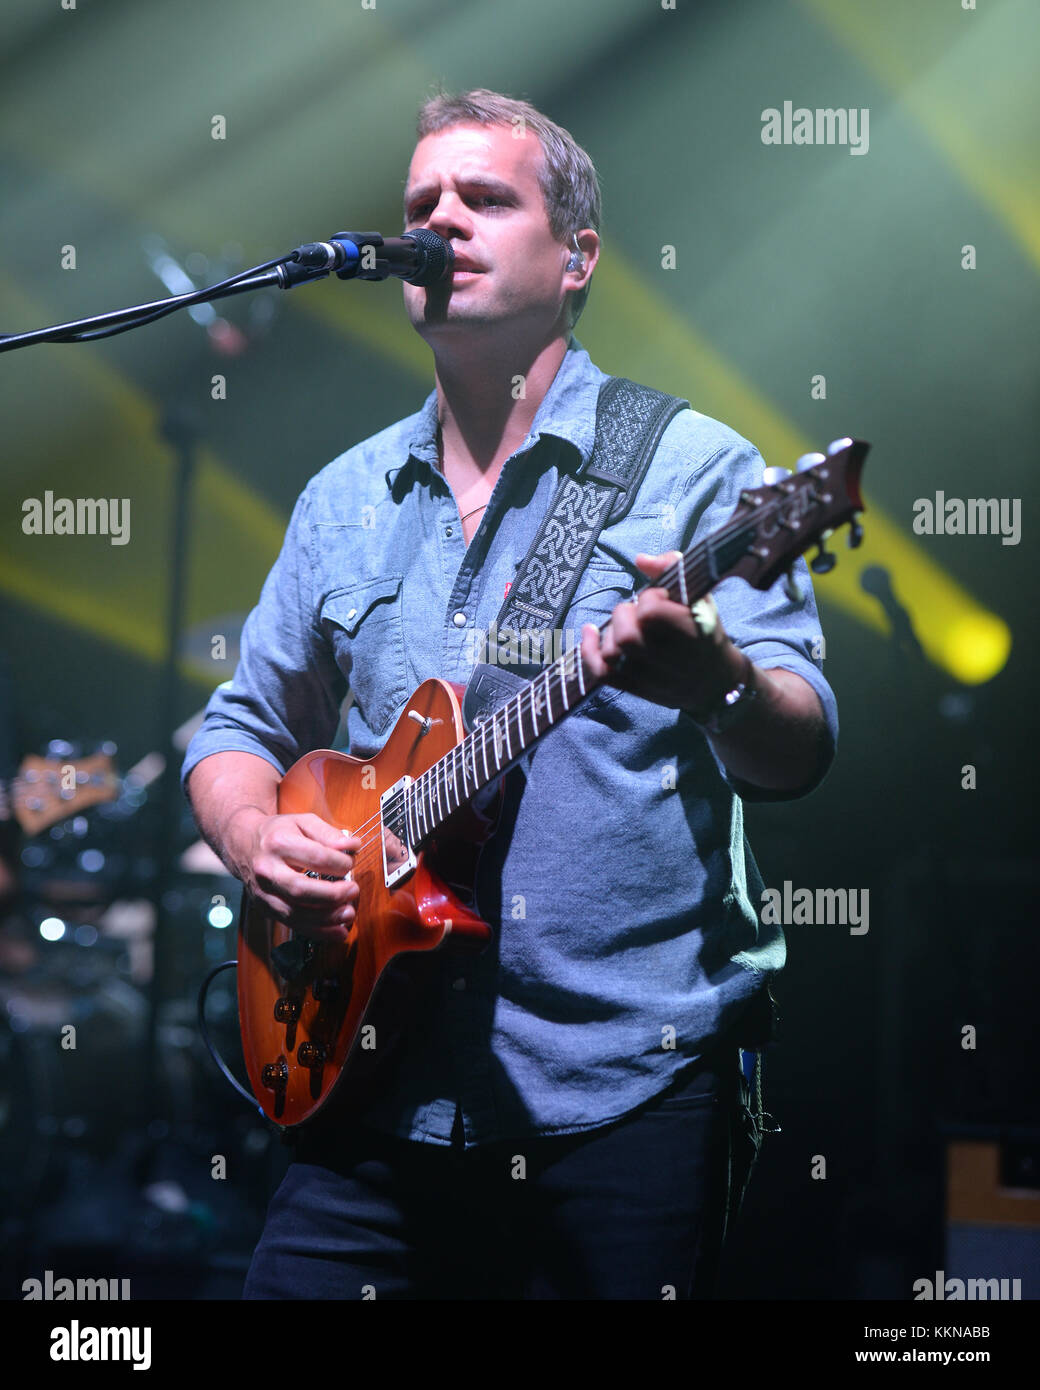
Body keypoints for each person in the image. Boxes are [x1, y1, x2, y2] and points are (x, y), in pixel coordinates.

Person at [182, 89, 837, 1300]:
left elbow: (794, 746)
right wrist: (255, 833)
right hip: (369, 1074)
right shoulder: (346, 495)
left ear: (575, 256)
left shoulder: (691, 467)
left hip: (620, 1088)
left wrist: (718, 681)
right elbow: (238, 727)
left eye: (485, 199)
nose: (442, 221)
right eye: (421, 203)